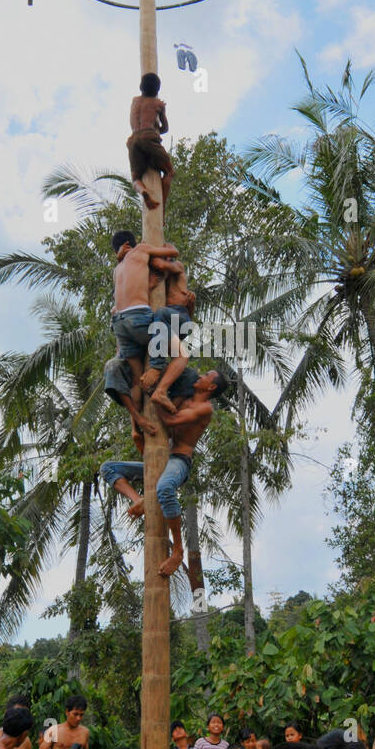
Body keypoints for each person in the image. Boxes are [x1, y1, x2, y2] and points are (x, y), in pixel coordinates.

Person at [100, 367, 228, 578]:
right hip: (161, 460)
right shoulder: (183, 395)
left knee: (166, 487)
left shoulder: (204, 408)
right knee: (108, 468)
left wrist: (153, 394)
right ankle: (138, 500)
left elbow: (169, 422)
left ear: (211, 386)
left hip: (179, 461)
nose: (201, 375)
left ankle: (178, 551)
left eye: (206, 376)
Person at [108, 228, 180, 437]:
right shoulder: (140, 250)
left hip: (119, 324)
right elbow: (174, 253)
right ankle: (157, 367)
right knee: (161, 323)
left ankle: (135, 427)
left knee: (137, 381)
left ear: (118, 250)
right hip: (136, 316)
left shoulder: (117, 269)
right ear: (131, 244)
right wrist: (167, 248)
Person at [139, 255, 196, 411]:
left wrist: (143, 252)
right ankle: (160, 390)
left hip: (179, 318)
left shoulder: (176, 266)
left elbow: (159, 264)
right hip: (169, 322)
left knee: (161, 313)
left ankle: (156, 367)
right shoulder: (158, 282)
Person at [127, 72, 174, 209]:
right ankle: (162, 209)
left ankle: (143, 191)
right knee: (169, 172)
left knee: (136, 178)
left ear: (141, 87)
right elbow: (165, 128)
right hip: (148, 136)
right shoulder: (158, 104)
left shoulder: (134, 101)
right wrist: (162, 112)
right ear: (157, 90)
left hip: (133, 140)